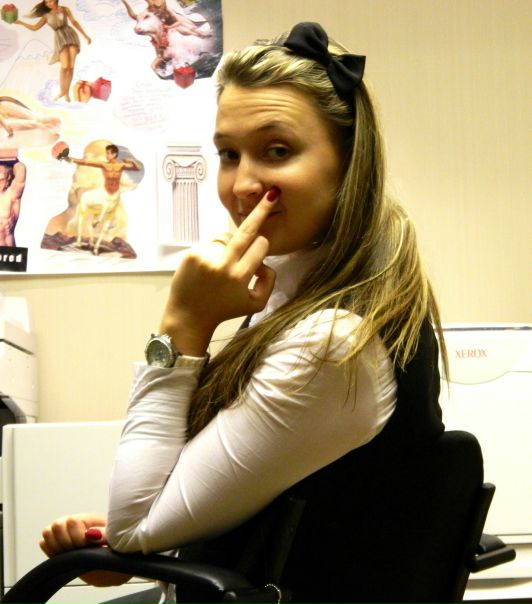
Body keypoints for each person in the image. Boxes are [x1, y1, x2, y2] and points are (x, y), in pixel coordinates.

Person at [39, 22, 447, 603]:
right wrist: (156, 539)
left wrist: (182, 323)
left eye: (277, 151)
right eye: (229, 155)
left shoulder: (333, 341)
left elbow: (134, 526)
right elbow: (245, 500)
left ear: (349, 163)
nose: (243, 185)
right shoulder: (305, 295)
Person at [59, 144, 141, 254]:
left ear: (114, 154)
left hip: (114, 194)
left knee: (108, 219)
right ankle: (95, 223)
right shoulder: (104, 165)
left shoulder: (121, 165)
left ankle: (97, 244)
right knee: (98, 204)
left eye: (108, 153)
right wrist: (69, 158)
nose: (106, 155)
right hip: (105, 192)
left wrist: (131, 161)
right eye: (106, 153)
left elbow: (137, 168)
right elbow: (86, 162)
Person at [14, 0, 91, 102]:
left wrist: (85, 36)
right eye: (46, 2)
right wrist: (20, 22)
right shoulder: (46, 15)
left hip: (71, 35)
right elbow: (35, 27)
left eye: (50, 1)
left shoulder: (65, 9)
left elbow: (74, 22)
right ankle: (62, 91)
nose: (48, 4)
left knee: (71, 67)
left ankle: (66, 92)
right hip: (60, 39)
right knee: (65, 67)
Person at [0, 159, 26, 247]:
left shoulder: (11, 194)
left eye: (1, 179)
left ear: (8, 178)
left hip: (7, 250)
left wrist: (10, 158)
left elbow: (21, 168)